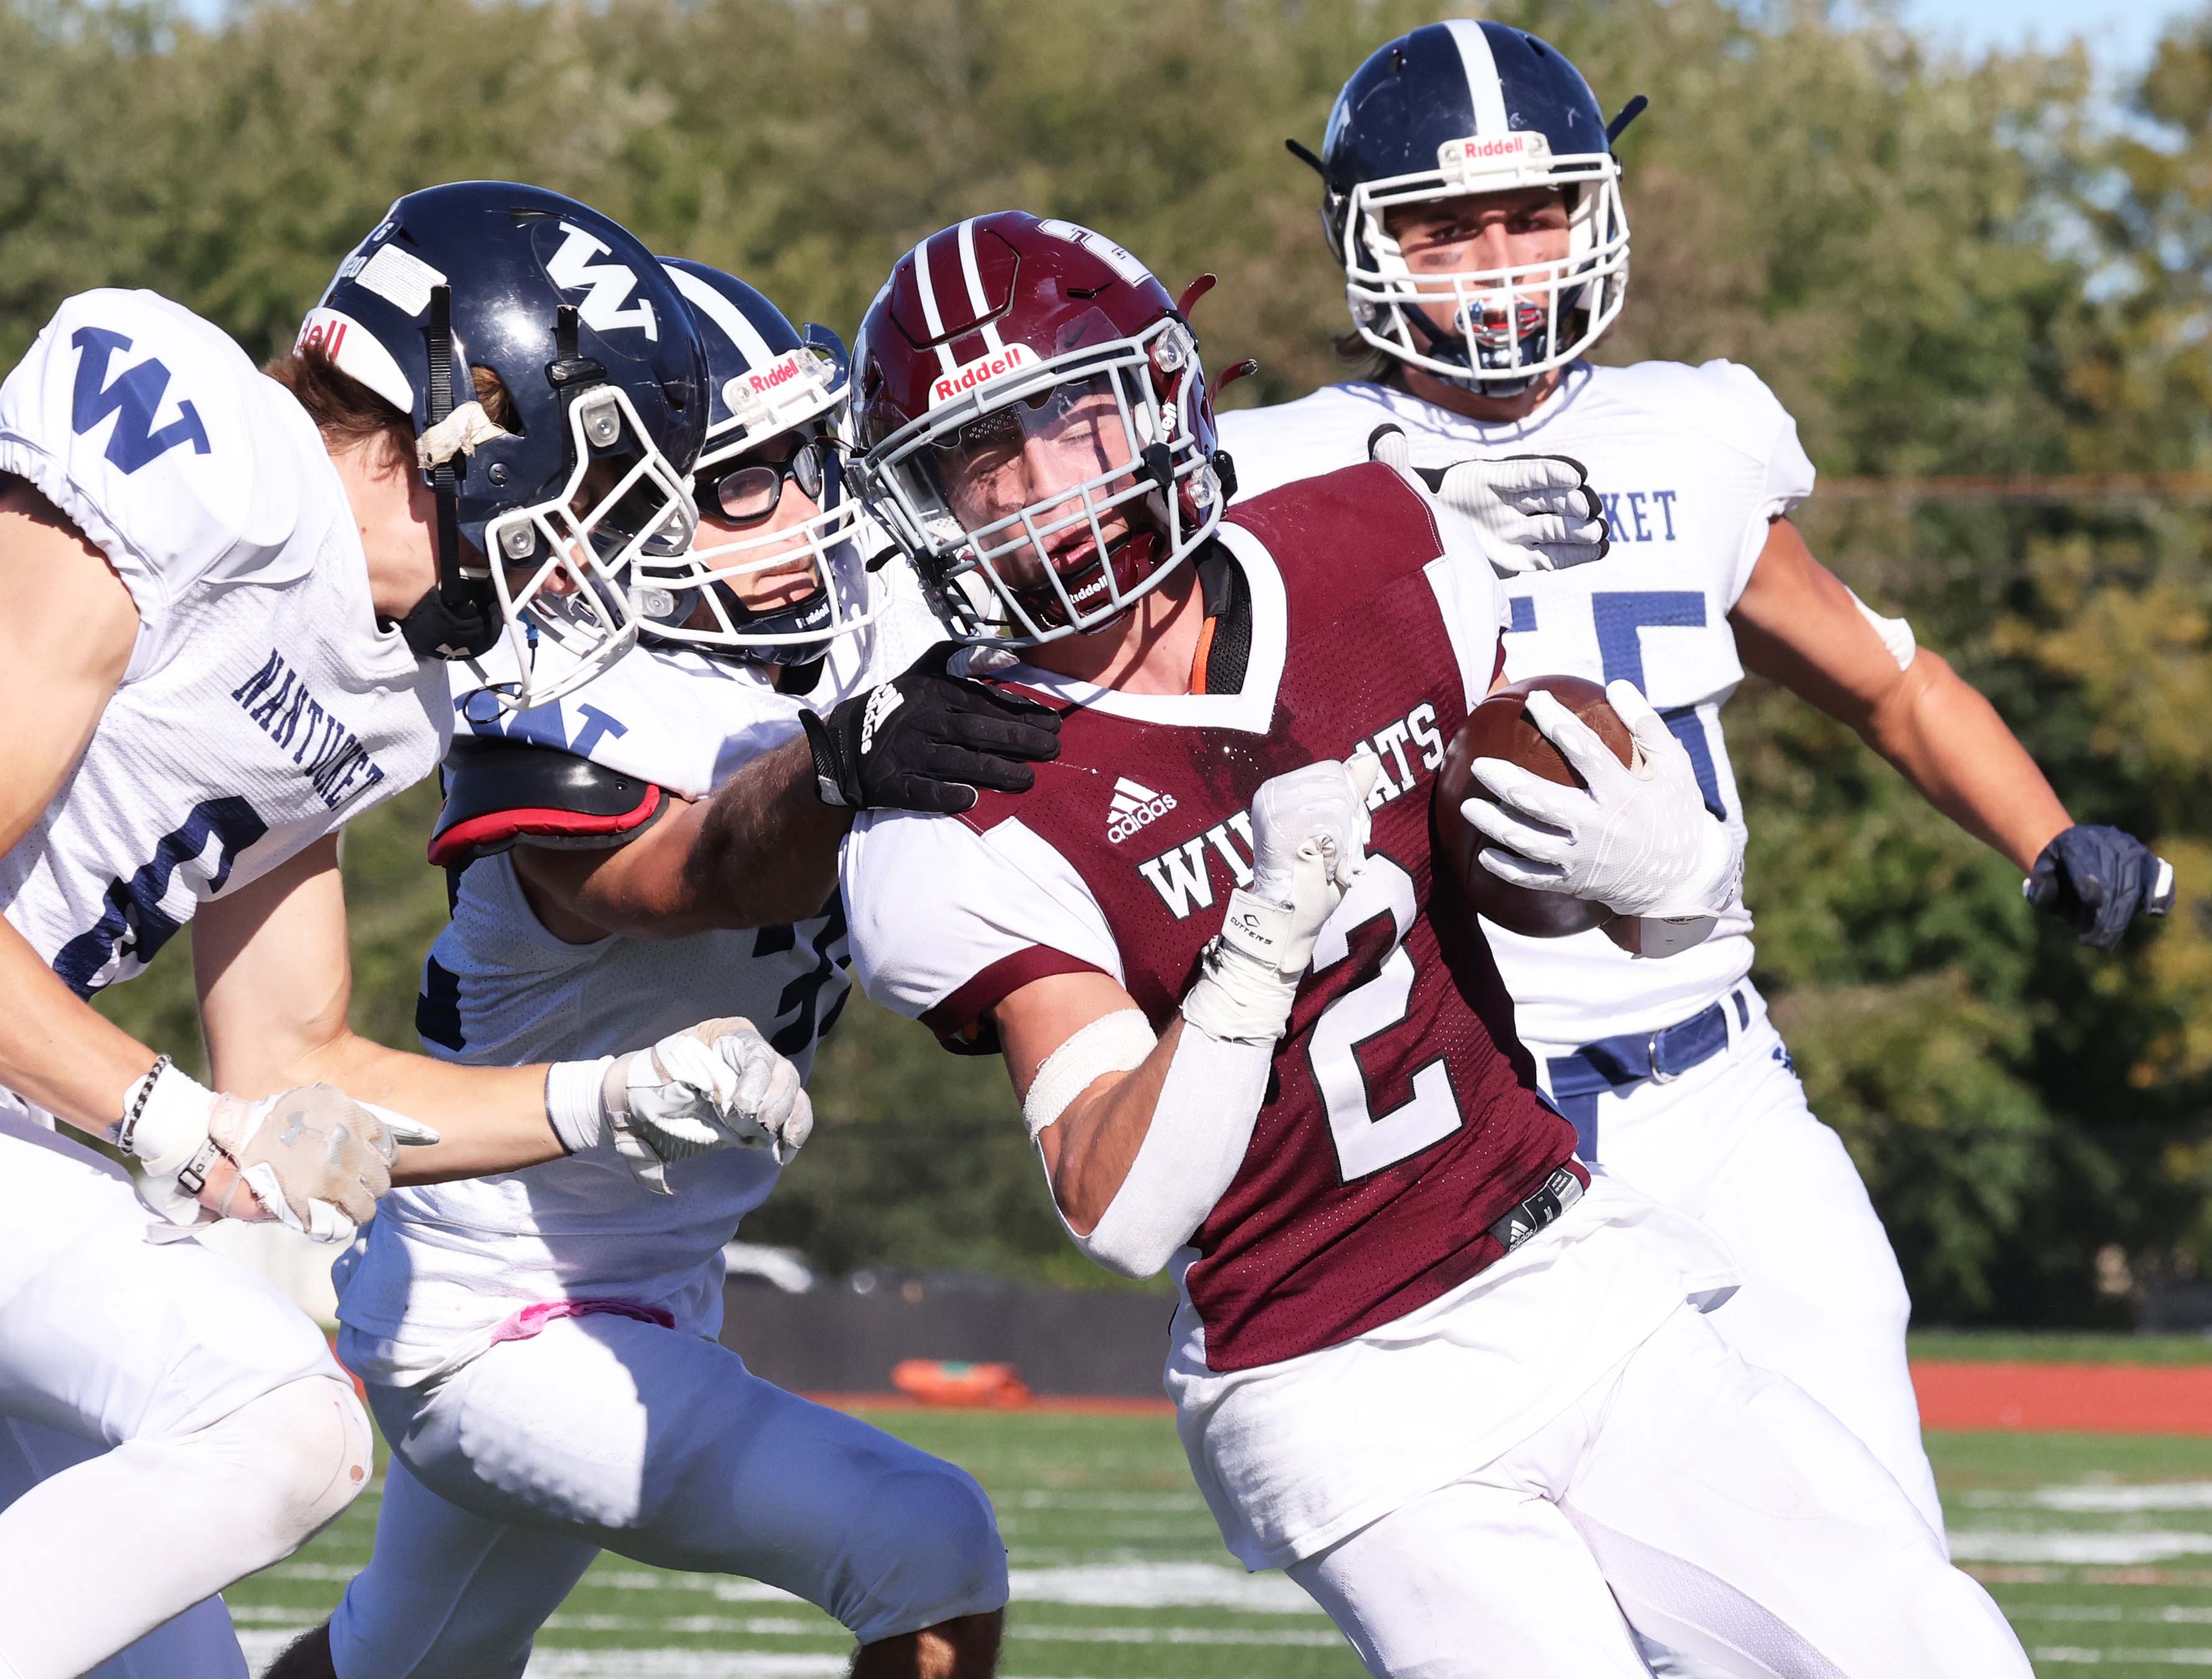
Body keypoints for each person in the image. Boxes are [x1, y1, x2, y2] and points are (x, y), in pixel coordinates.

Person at [836, 209, 2034, 1677]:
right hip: (1336, 1381)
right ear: (924, 503)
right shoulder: (964, 803)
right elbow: (1125, 1206)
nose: (1037, 490)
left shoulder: (1376, 549)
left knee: (1934, 1648)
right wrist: (1262, 933)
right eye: (980, 457)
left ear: (1156, 394)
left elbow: (1582, 826)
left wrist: (1679, 865)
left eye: (1065, 420)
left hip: (1567, 1267)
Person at [1220, 14, 2174, 1569]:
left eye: (1536, 215)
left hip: (1718, 1077)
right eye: (1448, 227)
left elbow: (1887, 676)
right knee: (1583, 1592)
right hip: (1464, 1116)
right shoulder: (1270, 478)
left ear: (1599, 213)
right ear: (1363, 243)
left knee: (1883, 1563)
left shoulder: (1698, 430)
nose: (1505, 260)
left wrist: (2047, 829)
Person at [0, 183, 822, 1679]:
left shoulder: (384, 668)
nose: (615, 546)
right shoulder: (198, 445)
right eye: (612, 484)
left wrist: (605, 1096)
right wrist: (178, 1127)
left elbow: (291, 1062)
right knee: (278, 1409)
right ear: (481, 415)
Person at [261, 261, 1036, 1679]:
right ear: (612, 503)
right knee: (929, 1544)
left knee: (402, 1662)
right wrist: (842, 767)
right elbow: (701, 872)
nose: (809, 519)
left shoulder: (863, 622)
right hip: (493, 1325)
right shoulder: (542, 698)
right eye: (745, 483)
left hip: (647, 1281)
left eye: (809, 461)